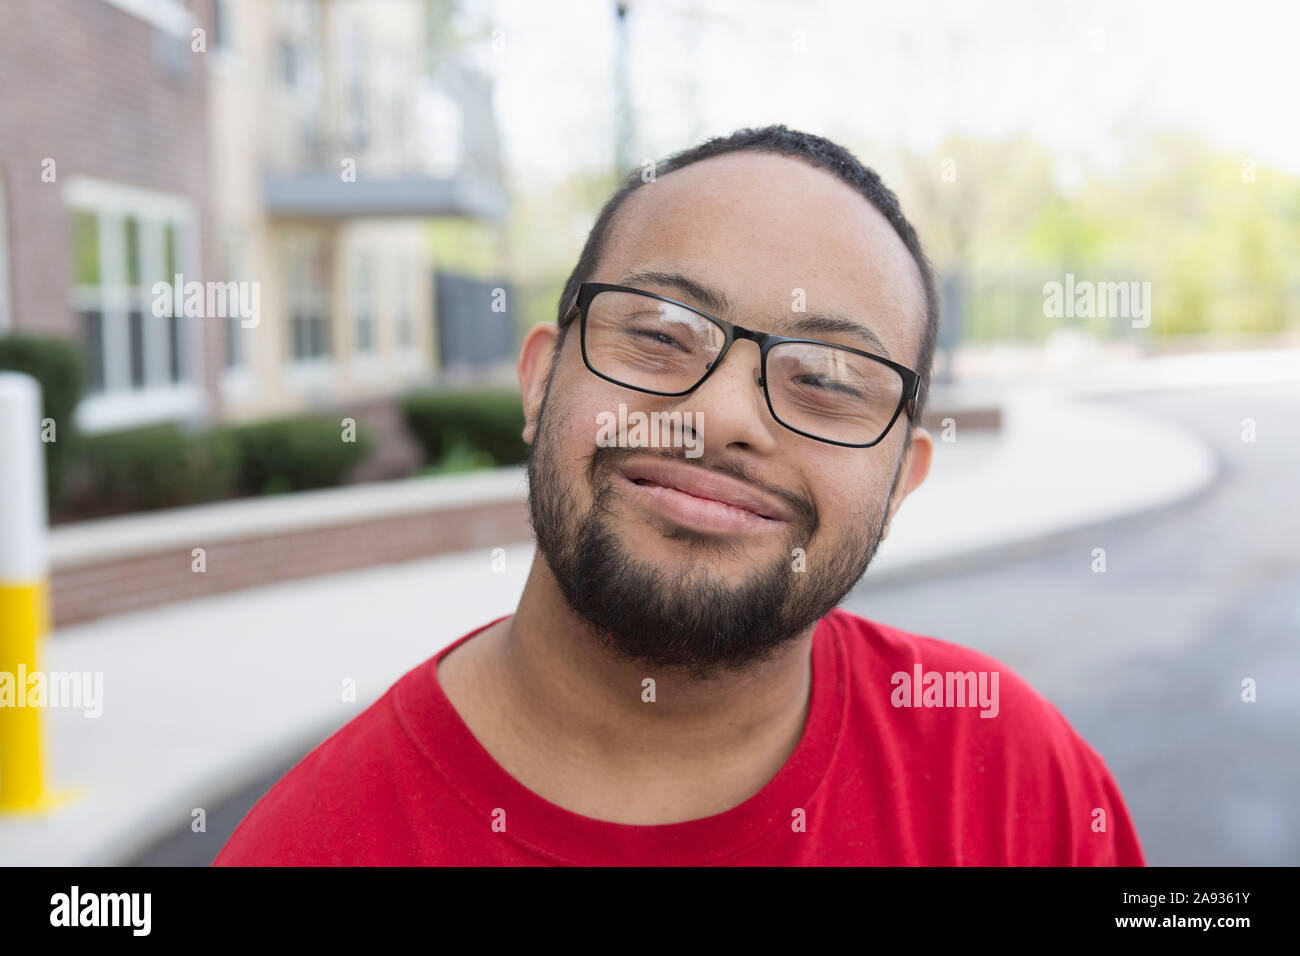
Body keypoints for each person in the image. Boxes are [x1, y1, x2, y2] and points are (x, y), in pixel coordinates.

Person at [214, 126, 1145, 866]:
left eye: (829, 377)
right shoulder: (312, 847)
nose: (719, 412)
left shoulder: (1018, 782)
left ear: (902, 482)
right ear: (540, 385)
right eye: (660, 334)